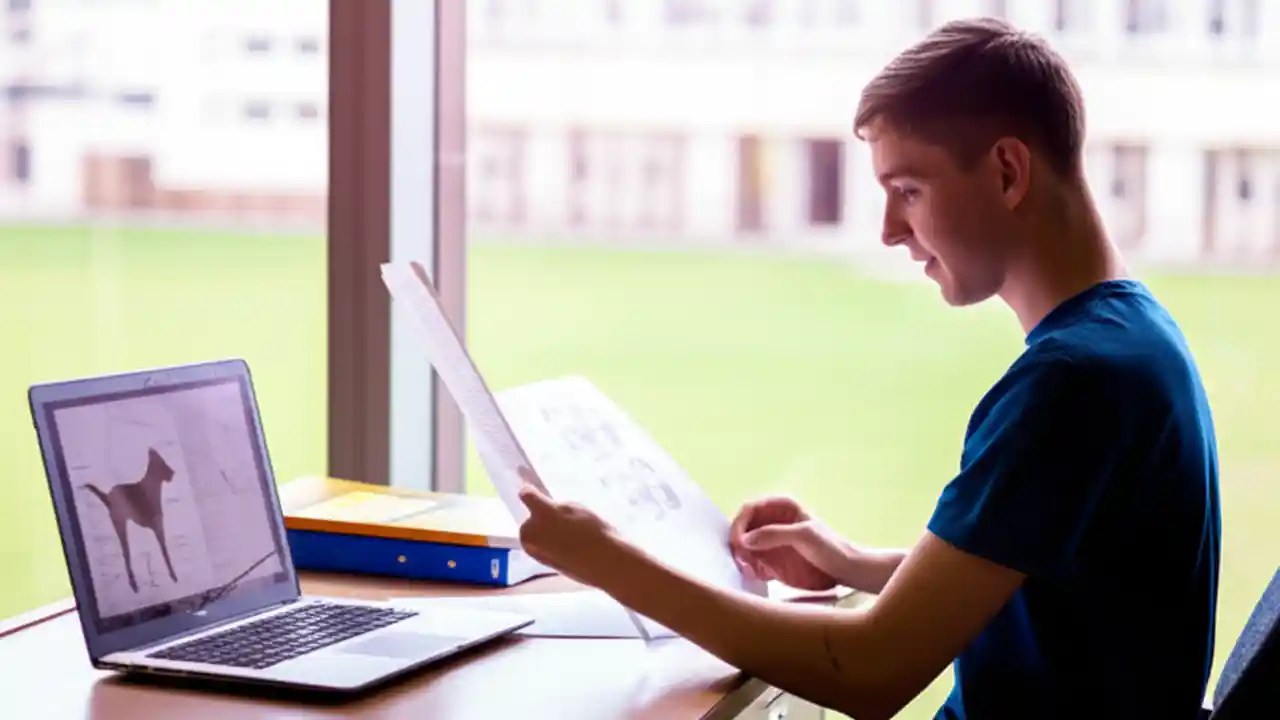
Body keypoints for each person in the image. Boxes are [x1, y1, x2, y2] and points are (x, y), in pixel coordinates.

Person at [515, 17, 1220, 720]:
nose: (888, 228)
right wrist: (849, 559)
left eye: (908, 189)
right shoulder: (1135, 336)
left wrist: (612, 564)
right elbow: (1029, 578)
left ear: (1008, 171)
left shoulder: (1073, 382)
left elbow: (867, 670)